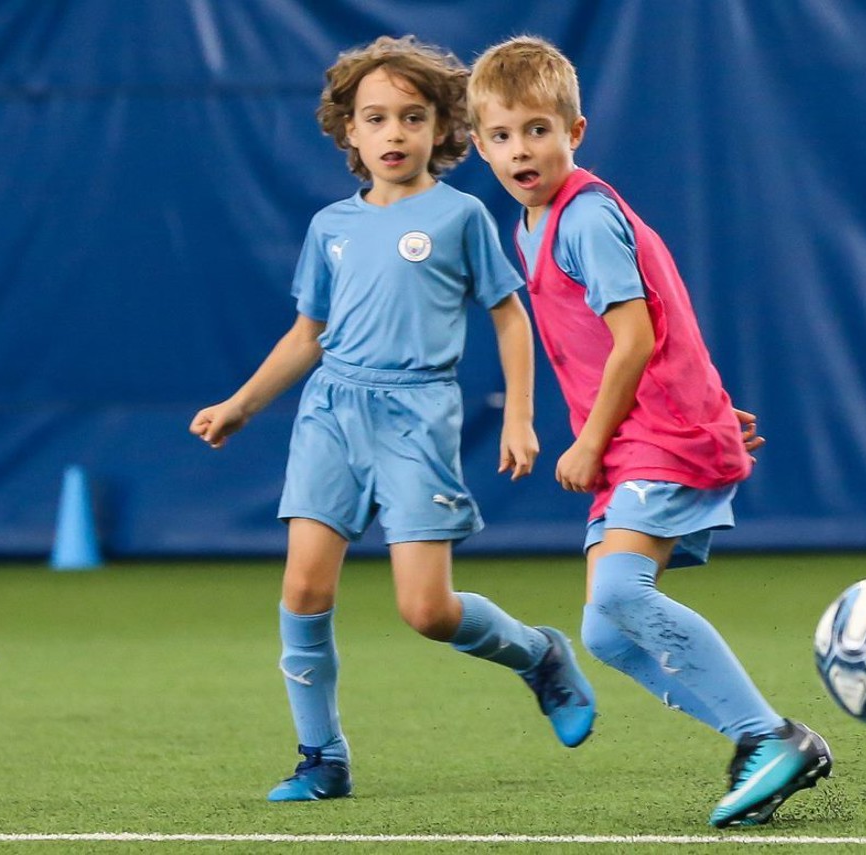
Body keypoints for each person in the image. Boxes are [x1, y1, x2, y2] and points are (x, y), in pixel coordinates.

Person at [189, 35, 595, 802]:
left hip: (418, 415)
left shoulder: (460, 216)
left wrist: (520, 416)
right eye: (375, 118)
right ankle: (322, 757)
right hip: (332, 412)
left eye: (413, 117)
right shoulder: (330, 227)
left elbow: (510, 316)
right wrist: (240, 405)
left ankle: (539, 655)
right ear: (350, 130)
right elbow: (307, 335)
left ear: (444, 129)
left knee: (427, 610)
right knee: (304, 589)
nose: (394, 133)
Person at [467, 36, 832, 828]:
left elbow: (634, 338)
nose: (521, 149)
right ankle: (761, 737)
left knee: (620, 590)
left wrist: (594, 440)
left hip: (646, 435)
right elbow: (658, 321)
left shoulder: (585, 218)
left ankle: (770, 738)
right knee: (605, 631)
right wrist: (702, 400)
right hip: (648, 428)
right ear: (479, 145)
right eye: (501, 135)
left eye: (538, 129)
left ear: (575, 132)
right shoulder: (528, 228)